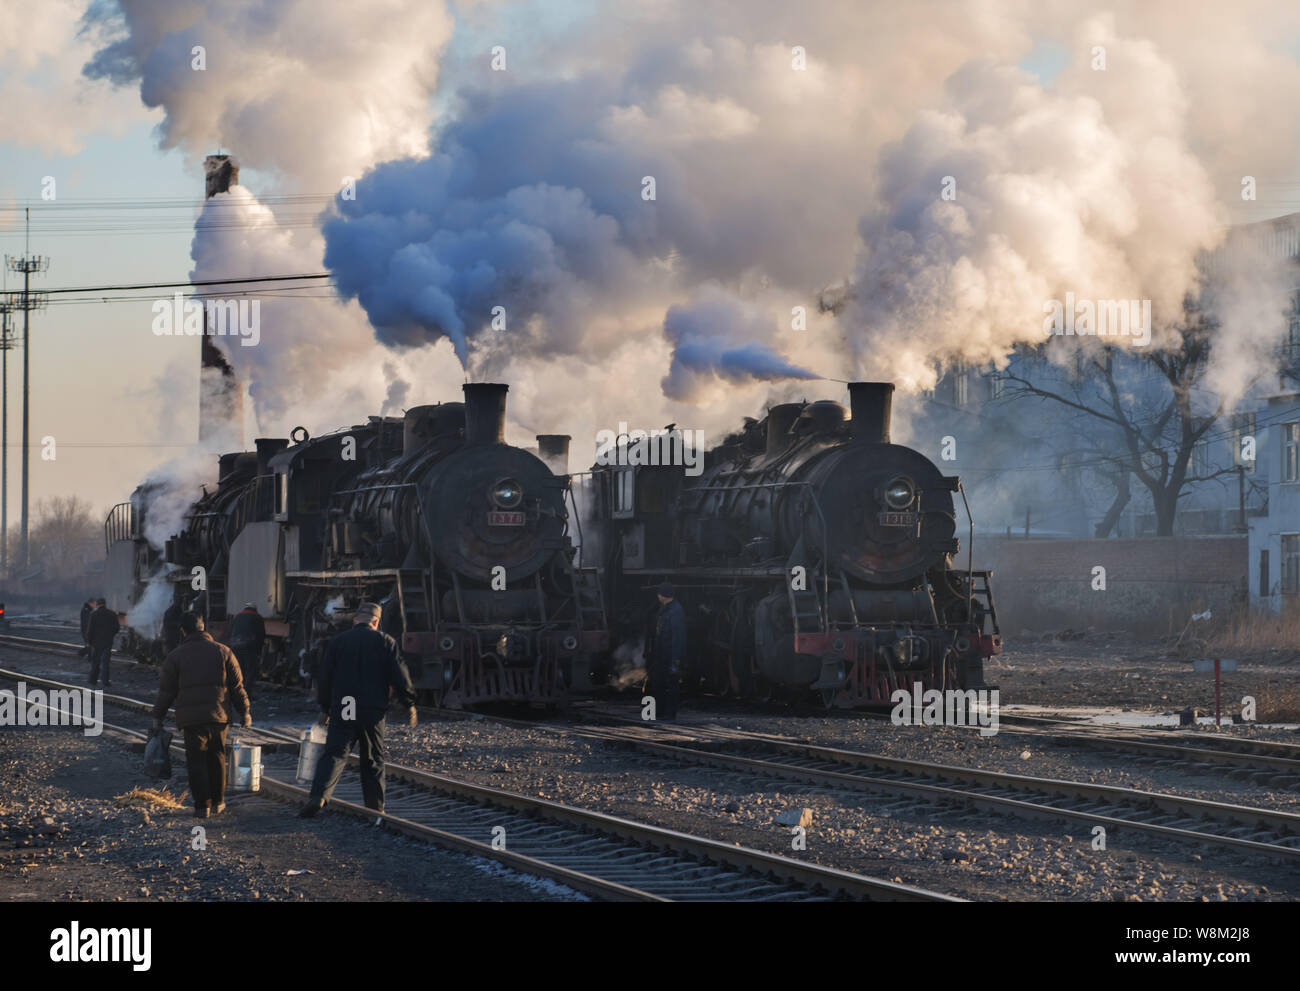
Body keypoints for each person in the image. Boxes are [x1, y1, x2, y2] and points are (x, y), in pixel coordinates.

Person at [300, 602, 417, 818]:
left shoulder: (339, 642)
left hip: (346, 705)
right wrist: (409, 702)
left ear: (355, 621)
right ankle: (375, 808)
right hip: (372, 707)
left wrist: (324, 708)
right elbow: (399, 675)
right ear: (376, 622)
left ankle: (319, 797)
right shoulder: (385, 642)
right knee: (372, 757)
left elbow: (325, 678)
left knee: (335, 753)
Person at [151, 612, 252, 819]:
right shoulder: (224, 652)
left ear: (183, 631)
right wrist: (245, 712)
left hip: (191, 719)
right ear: (203, 628)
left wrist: (157, 717)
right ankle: (218, 802)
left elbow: (166, 692)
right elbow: (237, 687)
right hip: (219, 716)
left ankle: (202, 806)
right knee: (217, 757)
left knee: (196, 760)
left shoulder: (175, 657)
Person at [648, 582, 685, 721]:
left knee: (671, 683)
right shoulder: (665, 609)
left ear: (663, 595)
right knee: (659, 682)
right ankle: (659, 711)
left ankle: (670, 713)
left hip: (669, 653)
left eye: (659, 593)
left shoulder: (675, 611)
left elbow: (678, 636)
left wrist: (676, 659)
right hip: (661, 653)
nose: (657, 595)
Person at [228, 602, 266, 697]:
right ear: (255, 609)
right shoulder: (257, 617)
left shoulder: (236, 616)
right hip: (249, 646)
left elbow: (231, 631)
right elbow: (261, 635)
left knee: (240, 669)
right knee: (251, 670)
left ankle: (237, 692)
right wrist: (259, 651)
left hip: (235, 645)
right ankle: (246, 693)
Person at [86, 598, 120, 688]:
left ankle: (93, 680)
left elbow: (90, 629)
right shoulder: (112, 614)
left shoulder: (93, 614)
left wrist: (88, 641)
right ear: (105, 604)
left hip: (96, 642)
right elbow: (117, 628)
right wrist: (110, 635)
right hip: (107, 641)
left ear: (97, 604)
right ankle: (105, 681)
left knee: (95, 662)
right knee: (105, 662)